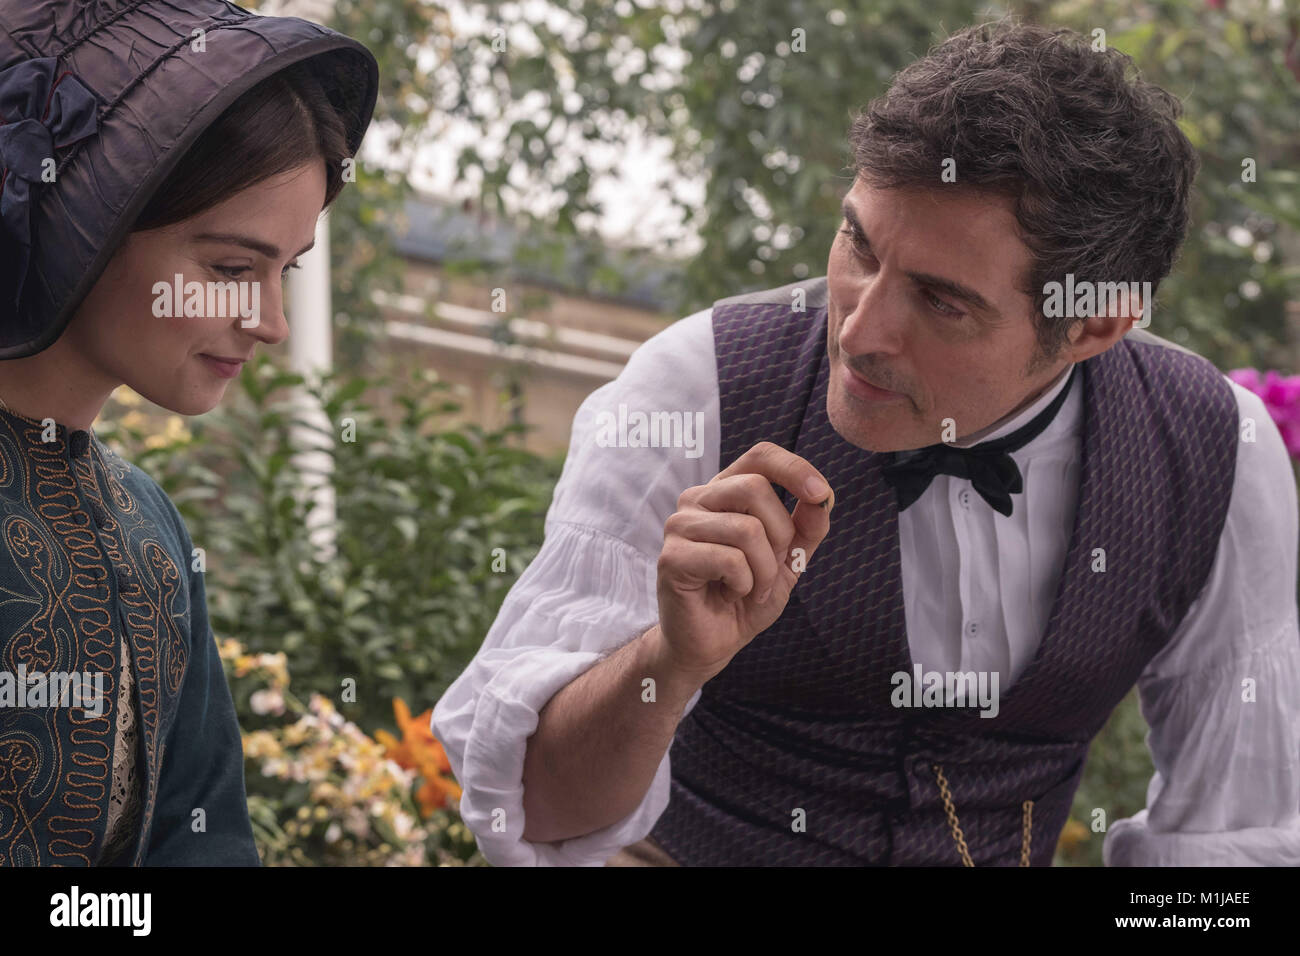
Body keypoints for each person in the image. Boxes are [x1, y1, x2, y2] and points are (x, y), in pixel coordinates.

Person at [432, 19, 1300, 866]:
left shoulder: (1217, 452)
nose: (859, 331)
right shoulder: (695, 388)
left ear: (1092, 326)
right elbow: (533, 808)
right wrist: (670, 660)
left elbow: (1238, 838)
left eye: (940, 300)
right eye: (858, 242)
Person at [0, 0, 377, 865]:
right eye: (233, 268)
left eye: (287, 271)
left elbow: (203, 838)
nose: (272, 322)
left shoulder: (151, 527)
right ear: (80, 222)